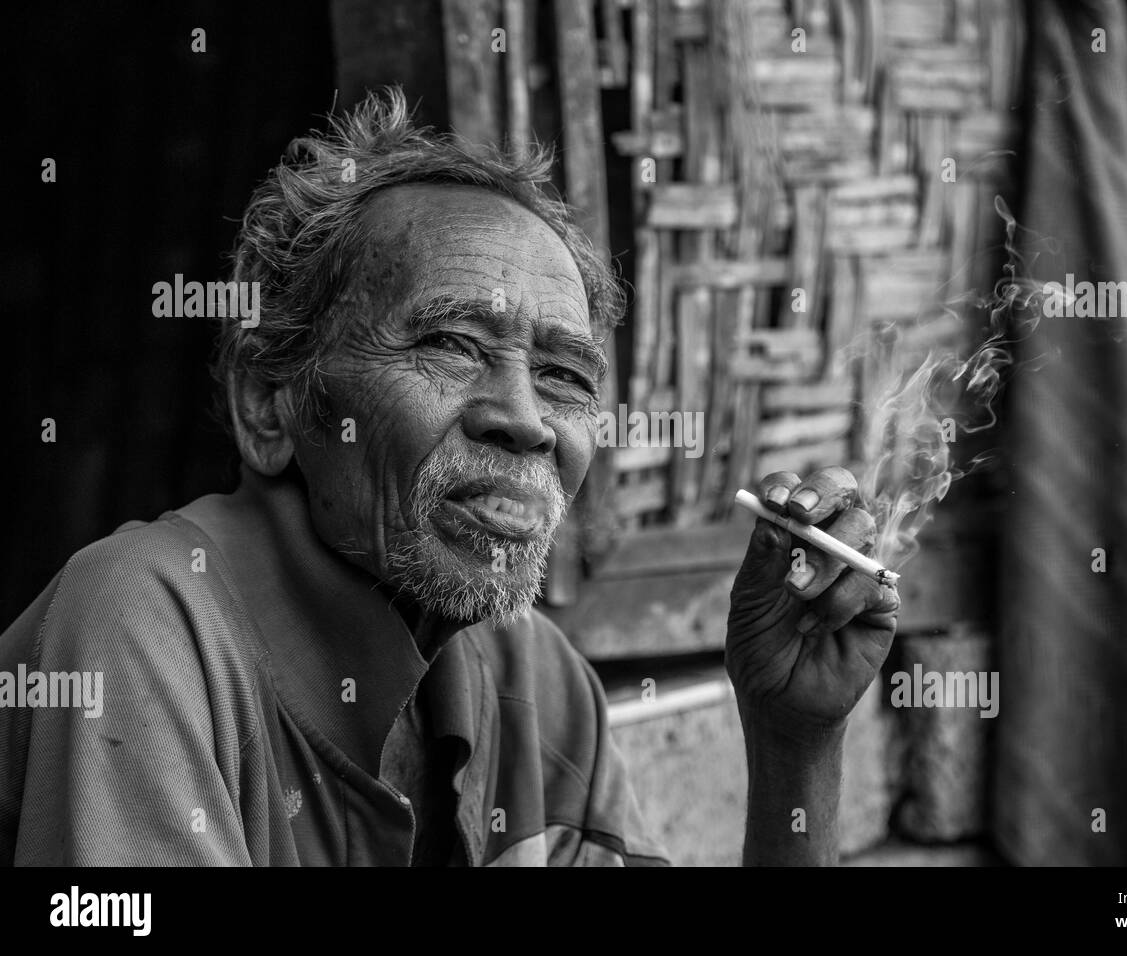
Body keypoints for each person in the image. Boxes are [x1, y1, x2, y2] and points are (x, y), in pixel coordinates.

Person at [0, 88, 899, 866]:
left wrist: (795, 744)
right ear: (271, 405)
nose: (526, 420)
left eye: (564, 376)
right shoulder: (141, 621)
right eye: (451, 344)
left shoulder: (537, 681)